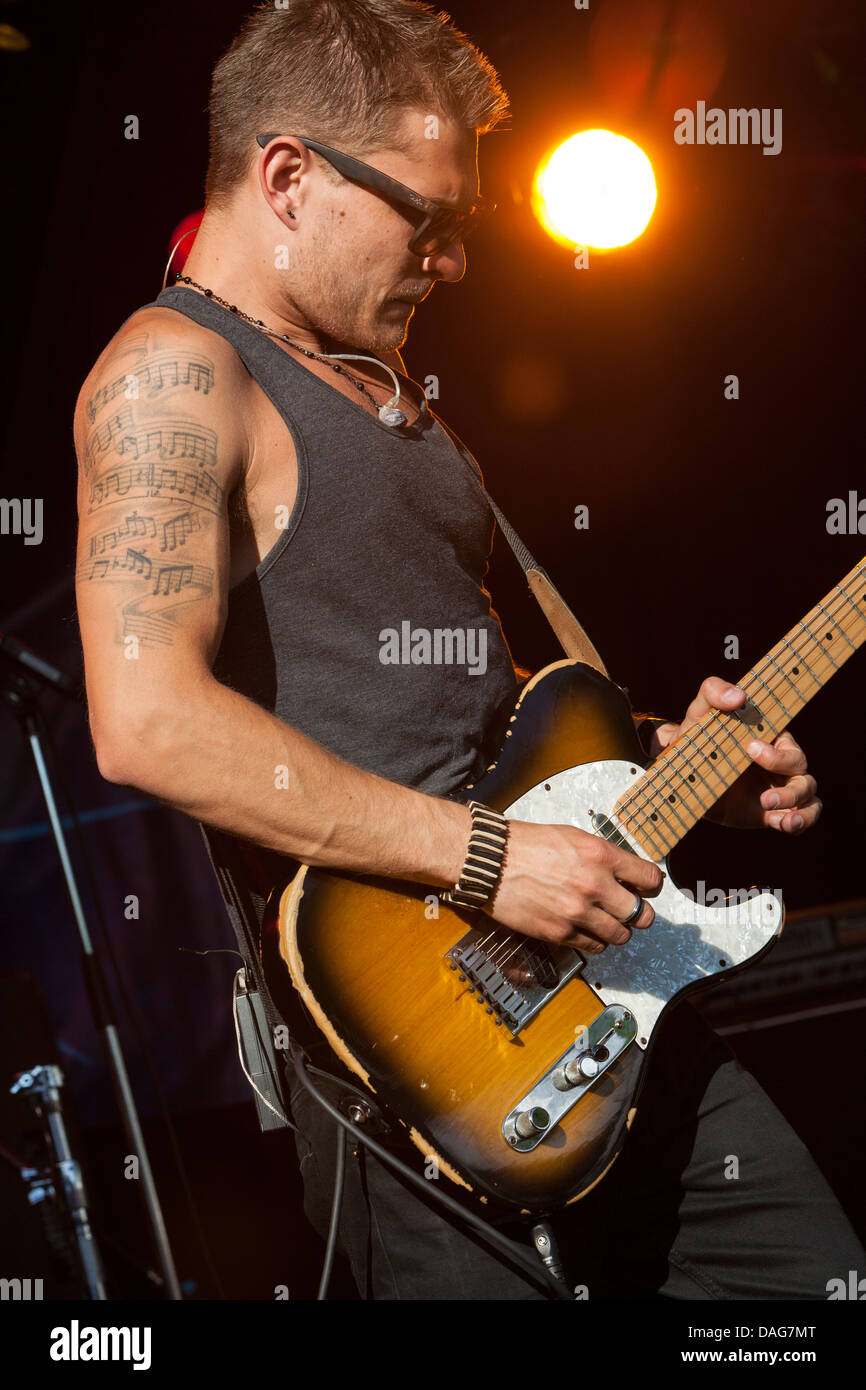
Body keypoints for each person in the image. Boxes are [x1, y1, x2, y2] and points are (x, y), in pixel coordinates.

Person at [73, 0, 862, 1300]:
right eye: (424, 221)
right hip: (421, 1057)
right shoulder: (172, 373)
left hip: (602, 991)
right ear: (287, 176)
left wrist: (670, 757)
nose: (448, 264)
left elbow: (477, 732)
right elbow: (147, 719)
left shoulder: (395, 401)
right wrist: (490, 859)